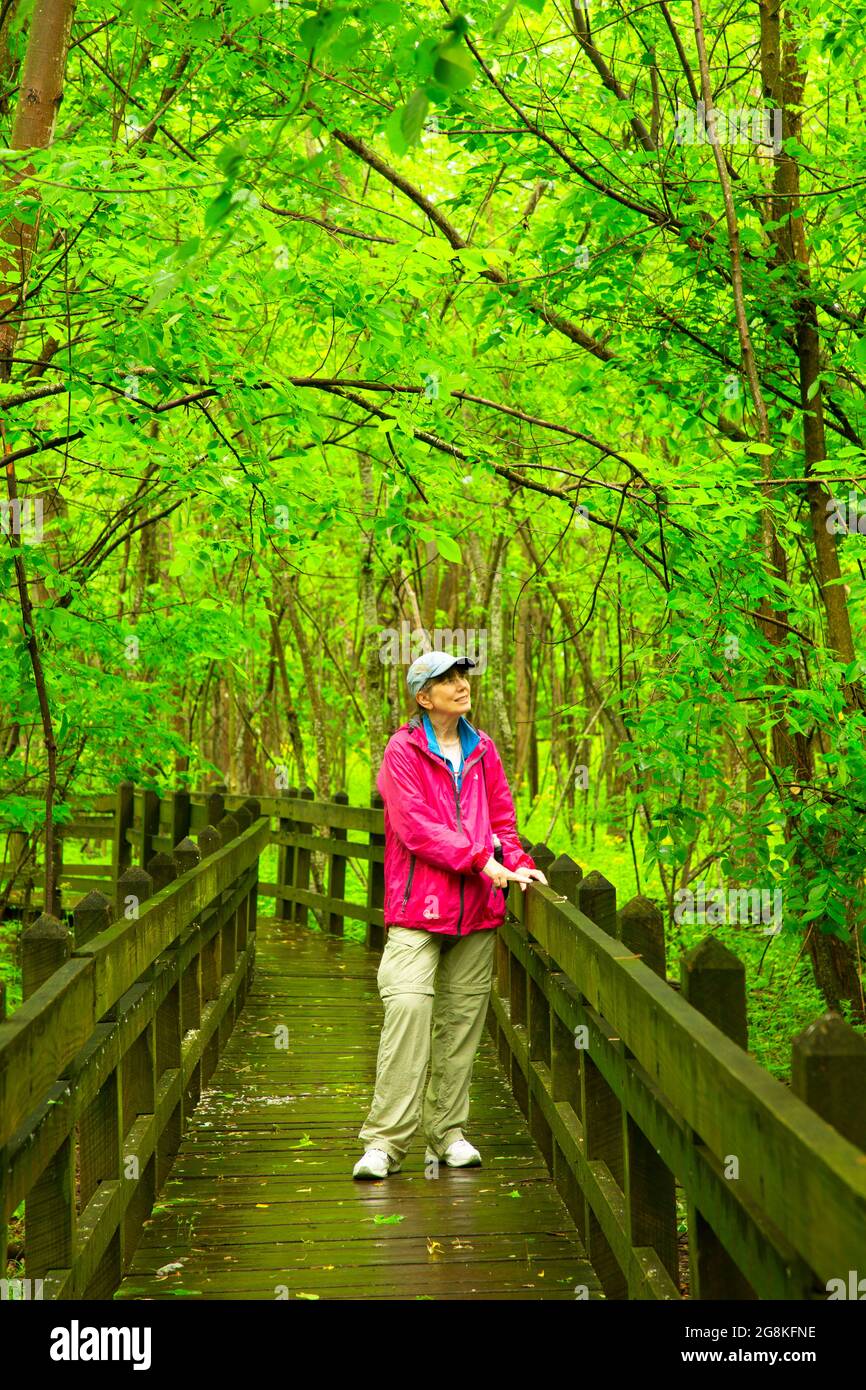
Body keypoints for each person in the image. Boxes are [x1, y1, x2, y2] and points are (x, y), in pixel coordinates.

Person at [353, 650, 547, 1179]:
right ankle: (385, 1144)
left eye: (463, 676)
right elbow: (415, 828)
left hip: (478, 912)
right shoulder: (402, 752)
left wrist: (519, 863)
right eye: (448, 679)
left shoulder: (483, 750)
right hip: (419, 909)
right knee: (408, 1012)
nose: (462, 685)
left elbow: (502, 820)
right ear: (424, 696)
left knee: (461, 1025)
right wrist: (481, 859)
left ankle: (447, 1133)